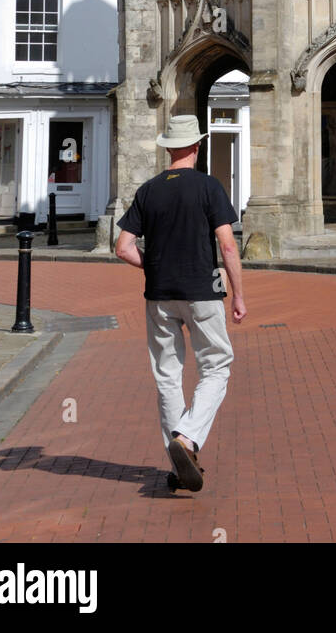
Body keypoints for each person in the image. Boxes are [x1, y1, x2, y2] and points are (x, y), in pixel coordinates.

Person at [115, 113, 246, 493]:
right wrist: (238, 293)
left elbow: (123, 248)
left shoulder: (148, 190)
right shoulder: (209, 187)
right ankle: (187, 439)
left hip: (159, 294)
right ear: (197, 146)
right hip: (201, 291)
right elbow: (227, 244)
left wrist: (153, 265)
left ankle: (177, 459)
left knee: (167, 376)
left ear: (169, 148)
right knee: (217, 366)